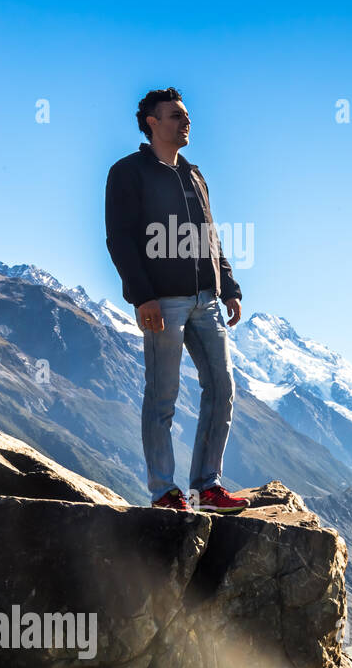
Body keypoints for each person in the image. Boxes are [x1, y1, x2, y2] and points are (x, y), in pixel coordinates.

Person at [104, 87, 249, 513]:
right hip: (162, 302)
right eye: (175, 116)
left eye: (186, 115)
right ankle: (164, 492)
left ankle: (207, 486)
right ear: (152, 122)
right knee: (162, 397)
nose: (186, 122)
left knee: (222, 389)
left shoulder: (195, 175)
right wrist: (142, 296)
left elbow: (210, 236)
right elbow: (121, 239)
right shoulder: (128, 172)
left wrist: (230, 287)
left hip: (207, 301)